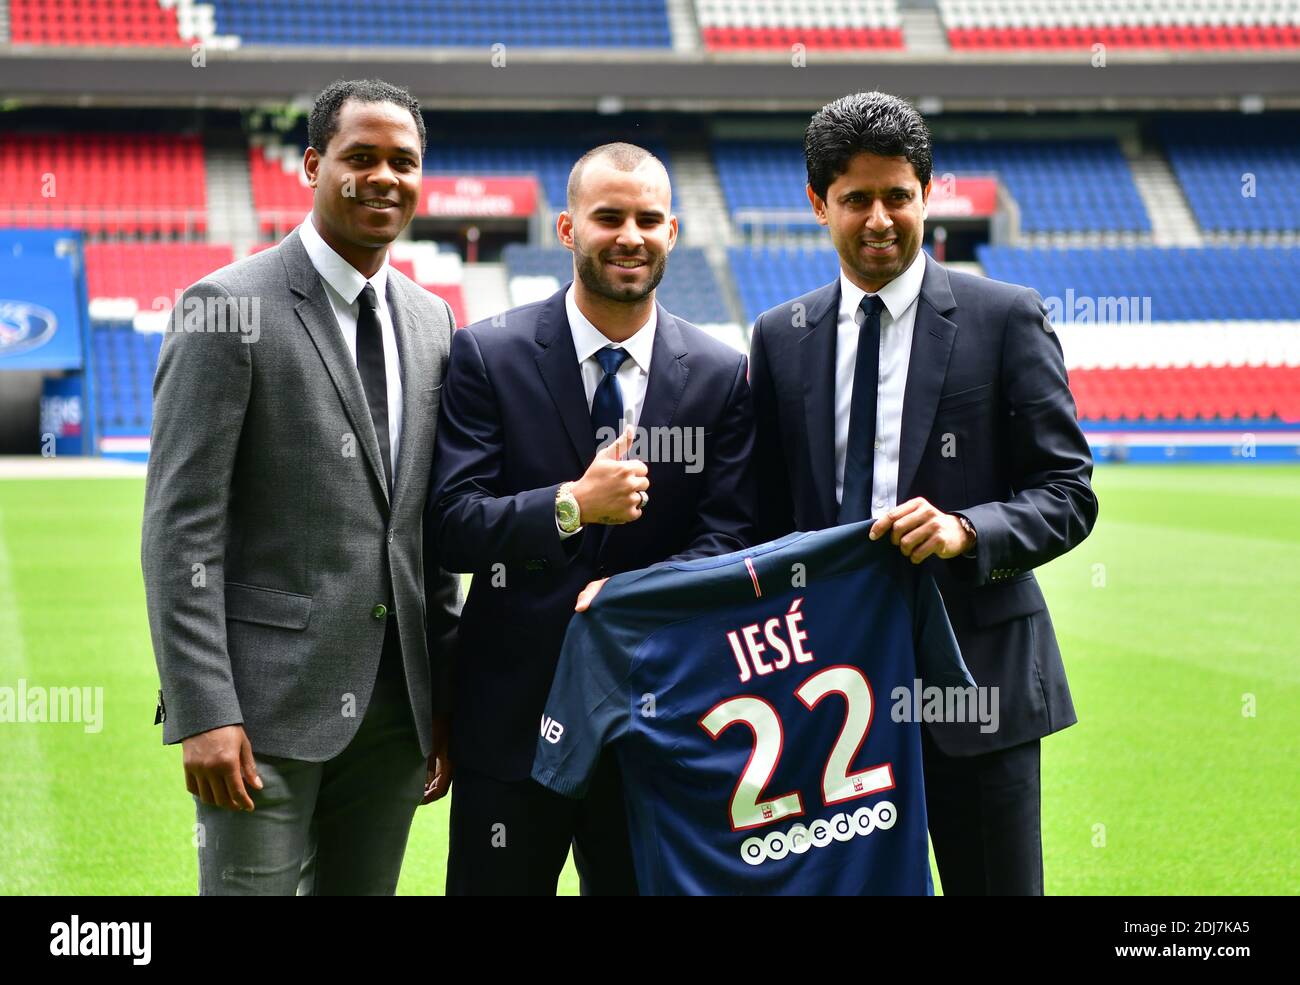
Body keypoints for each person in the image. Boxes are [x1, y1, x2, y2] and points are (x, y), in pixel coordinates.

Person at [748, 91, 1098, 895]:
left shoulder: (1006, 318)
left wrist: (966, 531)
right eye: (855, 199)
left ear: (928, 194)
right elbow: (761, 519)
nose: (878, 219)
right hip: (829, 696)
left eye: (897, 196)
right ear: (818, 204)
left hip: (978, 685)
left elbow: (1067, 492)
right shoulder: (779, 337)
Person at [141, 78, 461, 895]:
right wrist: (205, 708)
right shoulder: (225, 308)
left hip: (396, 718)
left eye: (404, 161)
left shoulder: (433, 321)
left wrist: (444, 696)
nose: (384, 177)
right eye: (361, 158)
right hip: (263, 714)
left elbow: (422, 529)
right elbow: (181, 530)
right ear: (313, 164)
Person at [431, 142, 757, 895]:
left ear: (673, 231)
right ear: (567, 227)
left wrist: (630, 597)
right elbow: (452, 523)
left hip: (659, 726)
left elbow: (732, 537)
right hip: (512, 723)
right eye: (608, 216)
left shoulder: (719, 375)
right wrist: (571, 506)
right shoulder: (489, 354)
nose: (630, 235)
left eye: (648, 218)